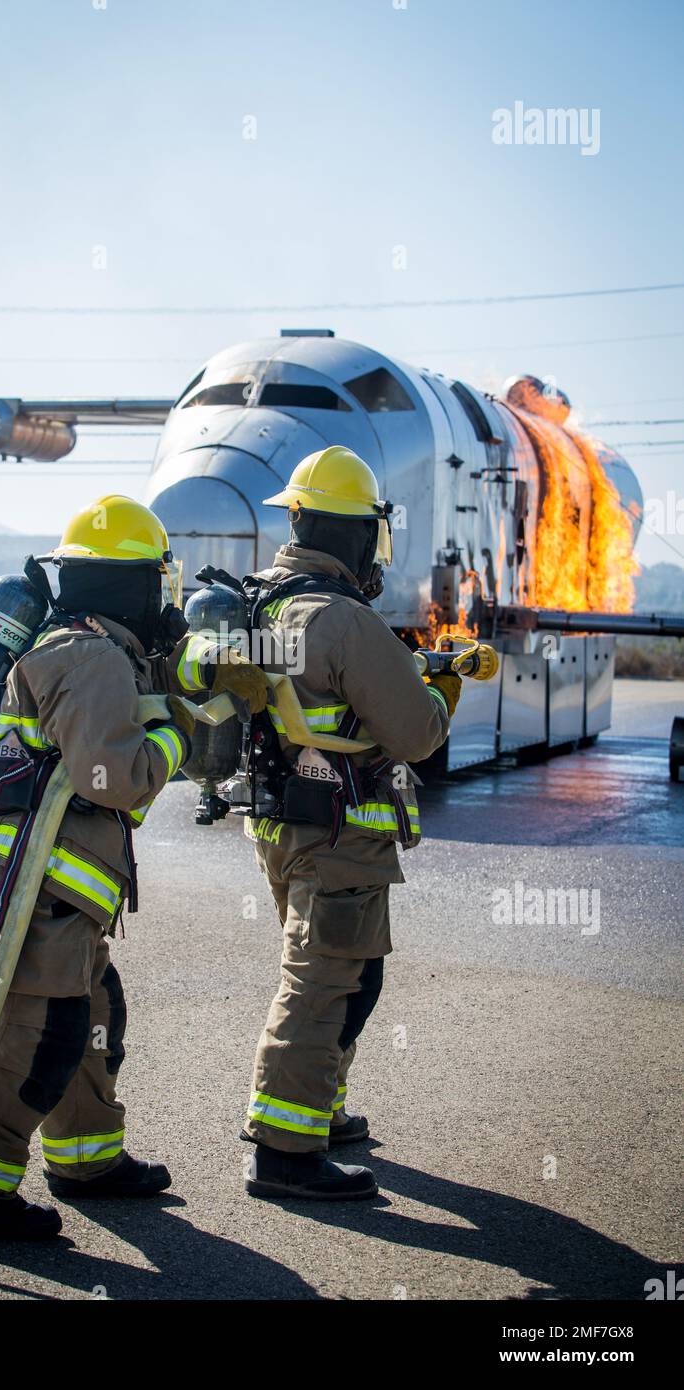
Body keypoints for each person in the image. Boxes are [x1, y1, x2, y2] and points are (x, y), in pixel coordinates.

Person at [0, 494, 266, 1239]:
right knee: (42, 1030)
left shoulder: (87, 645)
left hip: (50, 874)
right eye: (157, 585)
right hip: (37, 876)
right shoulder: (90, 656)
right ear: (137, 584)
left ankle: (86, 1159)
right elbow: (111, 778)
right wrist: (177, 732)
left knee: (91, 1009)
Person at [240, 447, 460, 1200]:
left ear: (296, 521)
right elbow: (417, 735)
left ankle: (319, 1111)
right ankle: (283, 1151)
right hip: (340, 838)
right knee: (328, 980)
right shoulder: (348, 621)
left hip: (279, 827)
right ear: (359, 536)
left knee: (337, 972)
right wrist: (440, 690)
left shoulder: (262, 605)